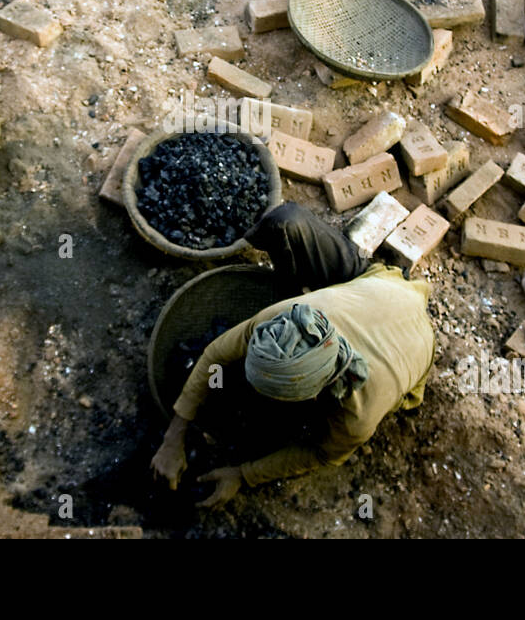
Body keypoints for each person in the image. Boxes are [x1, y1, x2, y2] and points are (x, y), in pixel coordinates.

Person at [150, 201, 436, 508]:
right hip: (378, 284)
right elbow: (216, 353)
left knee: (380, 406)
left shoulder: (358, 416)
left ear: (313, 394)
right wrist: (174, 434)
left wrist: (243, 474)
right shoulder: (288, 320)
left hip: (415, 340)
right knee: (286, 221)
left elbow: (321, 454)